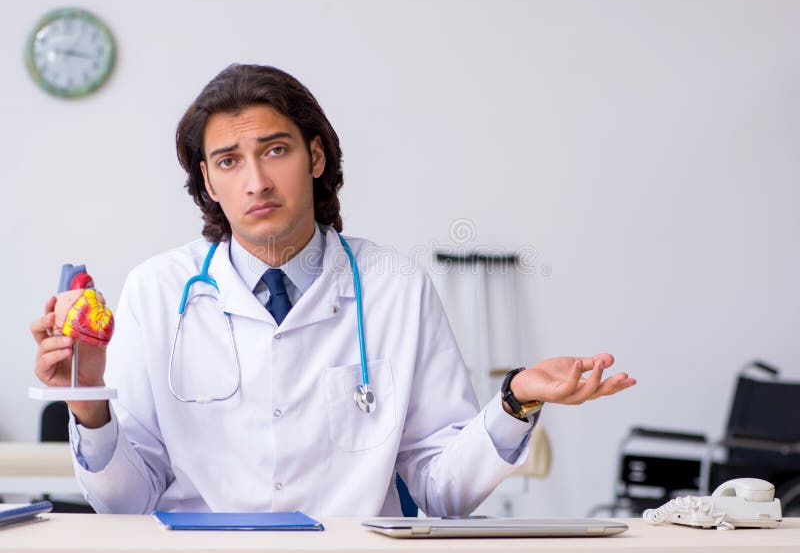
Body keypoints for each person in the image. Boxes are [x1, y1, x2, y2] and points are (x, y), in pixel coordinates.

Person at [30, 64, 636, 516]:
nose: (257, 181)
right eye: (229, 161)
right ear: (208, 183)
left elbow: (440, 489)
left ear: (315, 156)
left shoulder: (395, 288)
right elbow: (128, 502)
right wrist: (89, 401)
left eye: (275, 150)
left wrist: (516, 399)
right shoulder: (158, 290)